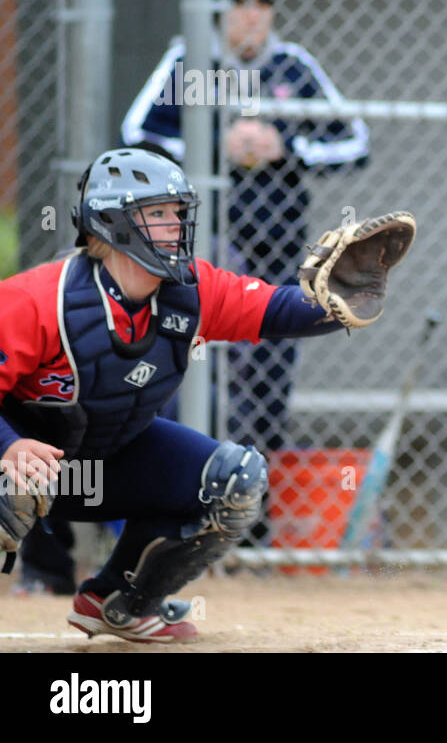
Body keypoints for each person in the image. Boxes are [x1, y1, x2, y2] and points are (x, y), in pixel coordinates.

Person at [0, 148, 384, 642]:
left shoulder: (192, 290)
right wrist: (8, 445)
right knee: (14, 484)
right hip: (24, 464)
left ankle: (121, 600)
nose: (175, 225)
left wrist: (339, 298)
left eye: (178, 212)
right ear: (113, 222)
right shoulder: (38, 300)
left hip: (101, 466)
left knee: (235, 479)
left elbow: (277, 310)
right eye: (158, 213)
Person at [120, 0, 369, 458]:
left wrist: (285, 146)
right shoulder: (190, 61)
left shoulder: (292, 66)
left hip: (277, 239)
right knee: (208, 363)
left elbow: (356, 141)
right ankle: (205, 476)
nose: (251, 18)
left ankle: (263, 498)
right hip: (204, 242)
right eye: (238, 5)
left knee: (273, 365)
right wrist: (216, 145)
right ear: (218, 12)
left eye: (262, 6)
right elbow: (136, 135)